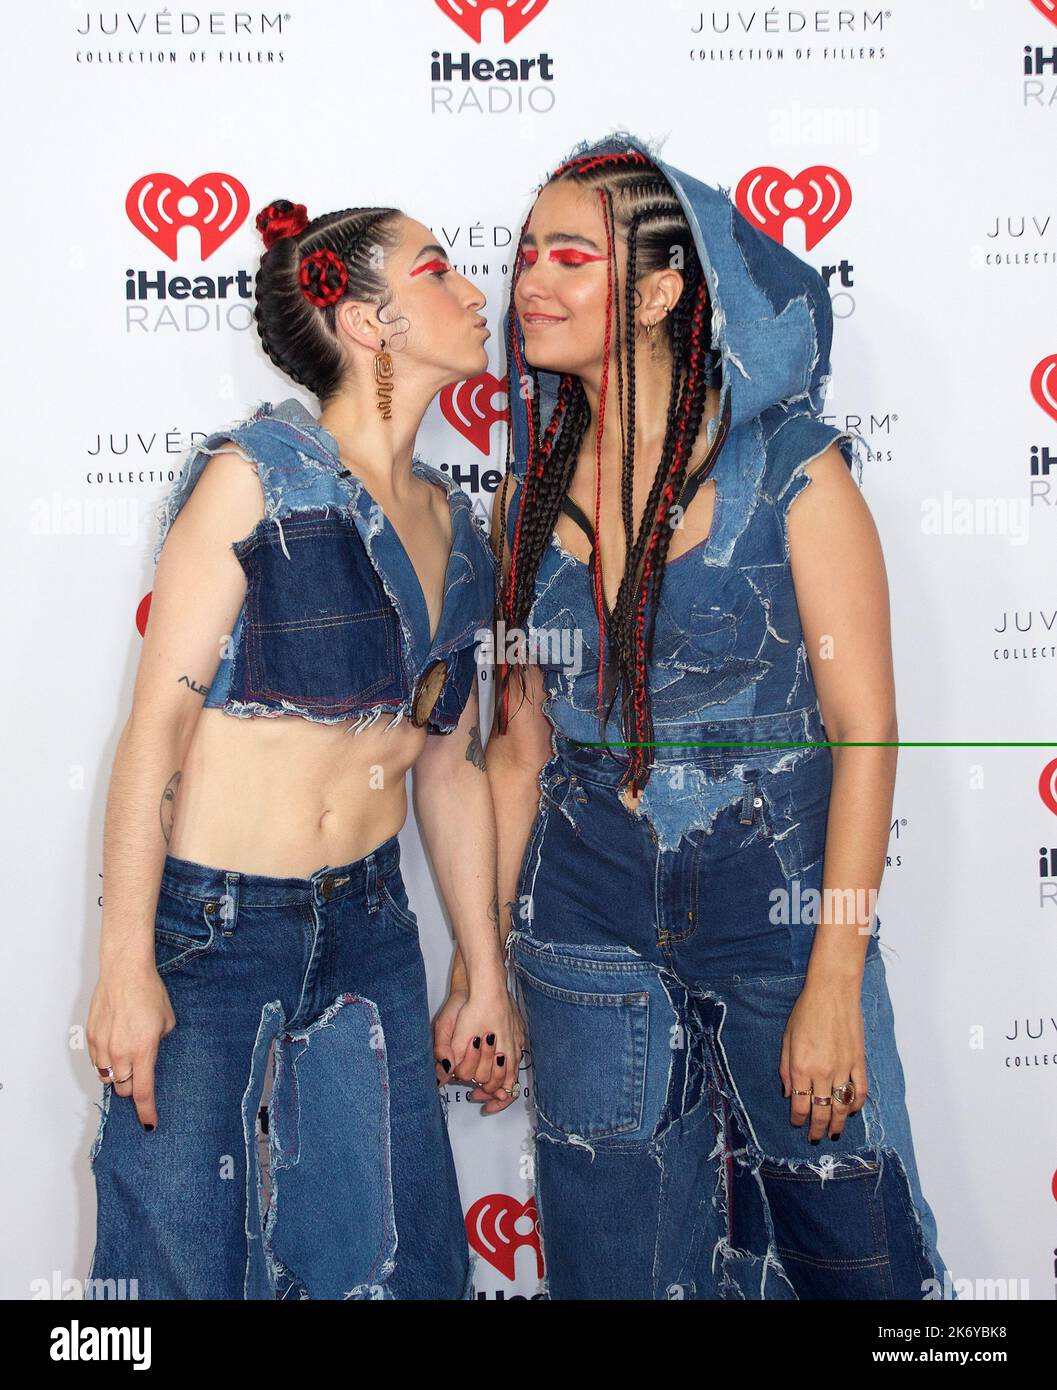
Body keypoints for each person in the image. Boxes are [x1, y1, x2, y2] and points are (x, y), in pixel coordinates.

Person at [444, 131, 951, 1299]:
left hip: (773, 909)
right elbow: (517, 745)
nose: (530, 282)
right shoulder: (520, 499)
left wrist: (835, 974)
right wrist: (487, 970)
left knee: (855, 1249)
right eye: (525, 254)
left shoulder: (795, 472)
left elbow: (864, 735)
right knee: (614, 1251)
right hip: (579, 908)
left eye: (570, 257)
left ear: (663, 291)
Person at [85, 197, 523, 1300]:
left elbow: (446, 765)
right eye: (438, 270)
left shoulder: (452, 524)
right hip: (213, 935)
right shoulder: (259, 475)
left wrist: (483, 971)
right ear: (367, 321)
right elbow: (155, 734)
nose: (476, 294)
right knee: (178, 1263)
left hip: (372, 924)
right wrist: (125, 965)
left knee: (403, 1265)